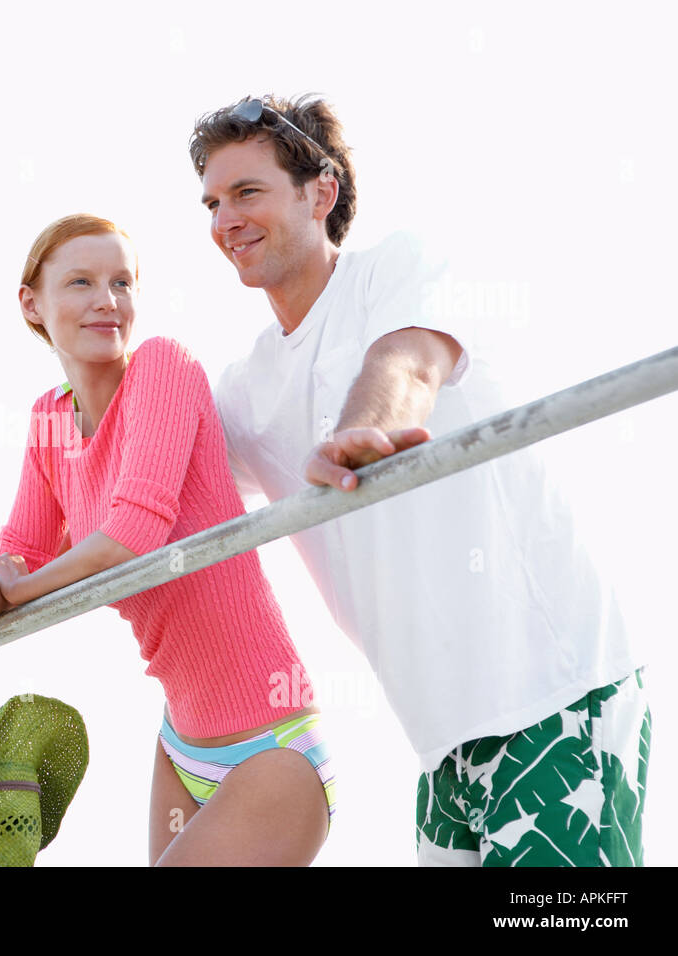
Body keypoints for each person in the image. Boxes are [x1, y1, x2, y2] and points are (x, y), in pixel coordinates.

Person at [193, 94, 649, 866]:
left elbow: (407, 363)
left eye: (247, 192)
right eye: (211, 202)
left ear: (321, 191)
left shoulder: (393, 270)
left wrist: (360, 434)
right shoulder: (244, 388)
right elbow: (155, 484)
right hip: (441, 748)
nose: (224, 220)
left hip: (555, 695)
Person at [0, 214, 335, 866]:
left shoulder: (161, 367)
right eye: (81, 282)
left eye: (122, 282)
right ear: (31, 303)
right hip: (183, 745)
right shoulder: (50, 420)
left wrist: (3, 590)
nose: (107, 300)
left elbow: (133, 538)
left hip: (272, 745)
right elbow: (21, 555)